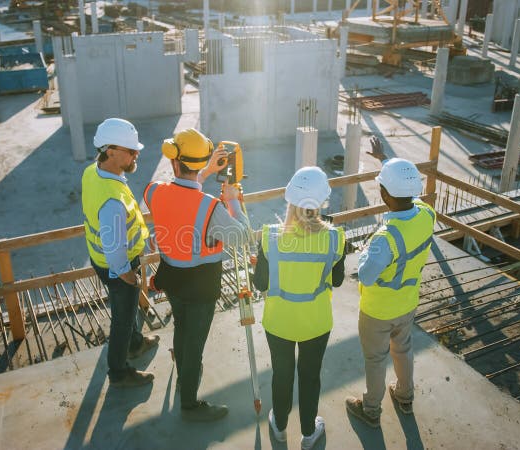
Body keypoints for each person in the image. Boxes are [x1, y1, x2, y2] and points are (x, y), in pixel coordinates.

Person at [143, 128, 250, 422]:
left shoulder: (153, 191)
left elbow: (181, 193)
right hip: (201, 288)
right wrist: (233, 199)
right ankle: (189, 405)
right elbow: (241, 238)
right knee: (195, 347)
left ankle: (183, 377)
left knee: (181, 328)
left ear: (174, 162)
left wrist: (202, 174)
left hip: (171, 279)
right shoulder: (211, 207)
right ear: (201, 162)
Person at [253, 166, 346, 450]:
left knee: (281, 374)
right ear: (322, 202)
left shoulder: (269, 236)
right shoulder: (335, 237)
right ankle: (308, 433)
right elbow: (339, 280)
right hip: (315, 323)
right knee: (309, 376)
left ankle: (279, 426)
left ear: (289, 199)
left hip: (279, 322)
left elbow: (259, 283)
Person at [345, 153, 436, 426]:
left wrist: (364, 253)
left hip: (377, 311)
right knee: (403, 349)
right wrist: (388, 162)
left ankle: (371, 410)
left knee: (375, 359)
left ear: (383, 194)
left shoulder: (385, 240)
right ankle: (405, 397)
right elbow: (411, 199)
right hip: (407, 303)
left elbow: (367, 276)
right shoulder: (427, 214)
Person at [81, 118, 160, 388]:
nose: (136, 154)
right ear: (111, 151)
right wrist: (128, 276)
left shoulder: (93, 172)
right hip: (117, 266)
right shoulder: (112, 201)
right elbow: (116, 250)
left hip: (100, 258)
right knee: (123, 320)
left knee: (126, 313)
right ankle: (118, 372)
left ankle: (136, 344)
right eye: (130, 150)